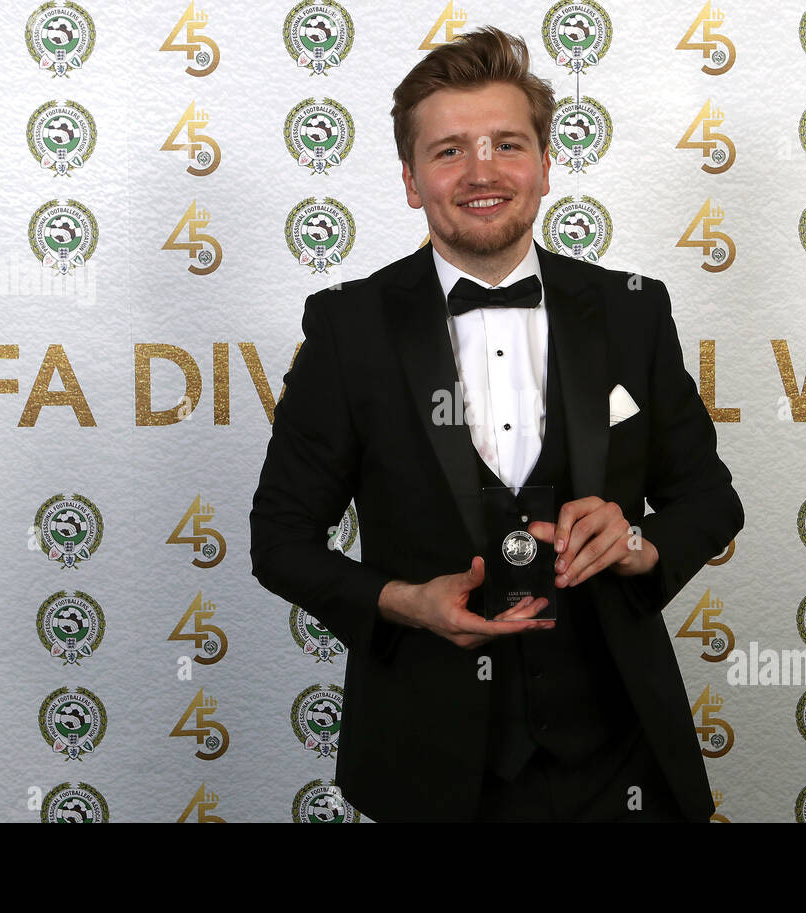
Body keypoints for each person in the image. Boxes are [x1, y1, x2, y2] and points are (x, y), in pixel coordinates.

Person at [250, 26, 743, 822]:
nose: (481, 171)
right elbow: (278, 540)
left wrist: (636, 543)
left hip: (620, 757)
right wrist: (404, 600)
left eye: (506, 144)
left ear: (546, 167)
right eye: (448, 151)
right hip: (427, 761)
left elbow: (711, 500)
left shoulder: (633, 311)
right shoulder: (351, 330)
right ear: (411, 180)